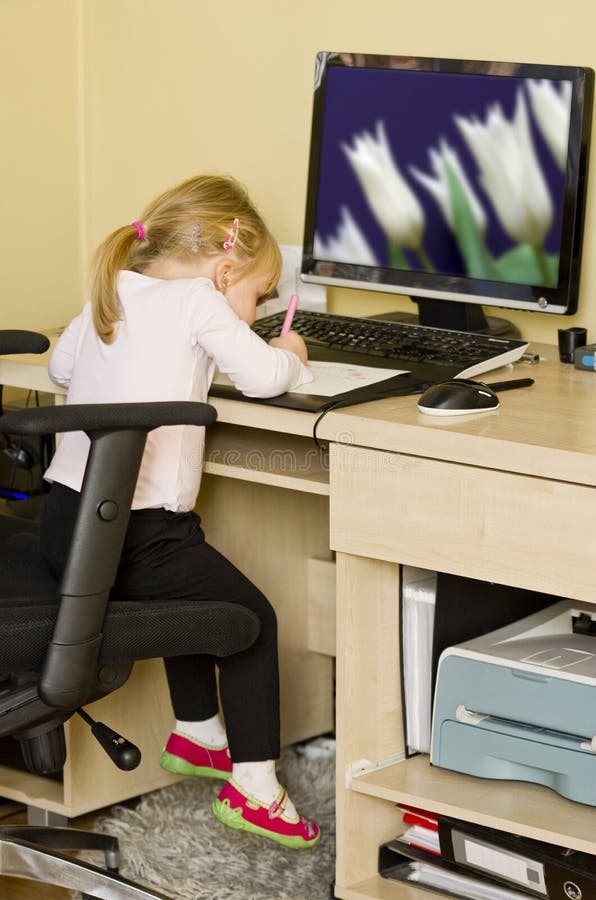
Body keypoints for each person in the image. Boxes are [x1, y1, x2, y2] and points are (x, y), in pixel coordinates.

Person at [39, 174, 320, 850]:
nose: (251, 311)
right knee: (249, 620)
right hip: (137, 536)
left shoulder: (113, 290)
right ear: (225, 270)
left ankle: (198, 732)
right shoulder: (200, 299)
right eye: (255, 295)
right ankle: (256, 790)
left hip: (64, 530)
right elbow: (260, 376)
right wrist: (290, 354)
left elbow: (57, 372)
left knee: (194, 592)